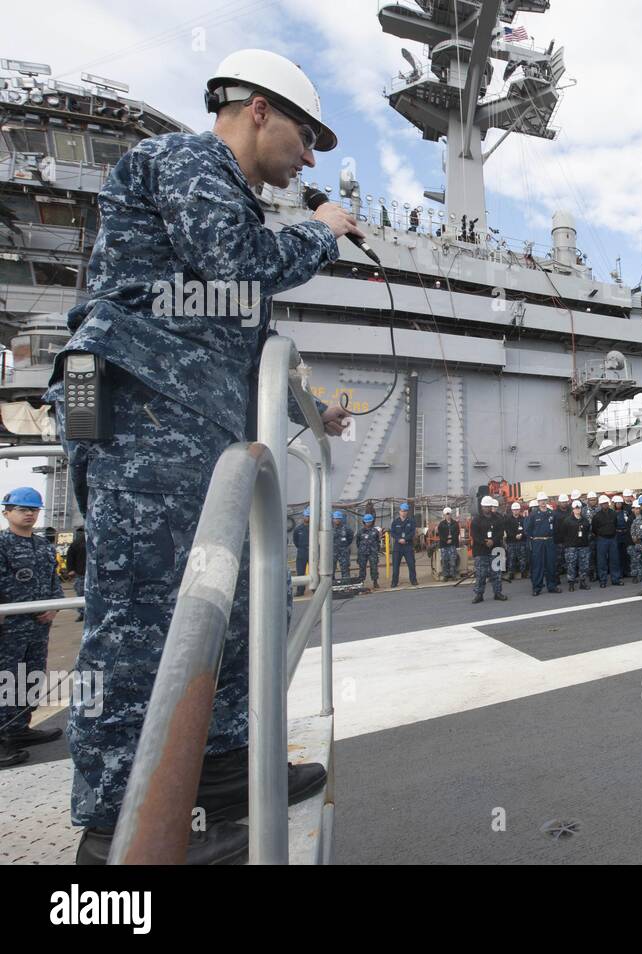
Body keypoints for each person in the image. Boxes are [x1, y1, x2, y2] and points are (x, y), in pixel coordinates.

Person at [43, 47, 357, 863]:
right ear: (259, 109)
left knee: (236, 600)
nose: (312, 156)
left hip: (187, 415)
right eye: (307, 133)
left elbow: (230, 321)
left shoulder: (224, 191)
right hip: (145, 407)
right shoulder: (185, 158)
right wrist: (321, 234)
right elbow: (238, 267)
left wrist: (311, 408)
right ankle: (116, 822)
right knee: (145, 610)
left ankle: (220, 768)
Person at [0, 488, 64, 769]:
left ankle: (19, 729)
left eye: (33, 509)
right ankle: (3, 739)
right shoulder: (2, 544)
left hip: (38, 628)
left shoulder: (44, 547)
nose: (29, 513)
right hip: (8, 628)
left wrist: (54, 607)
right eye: (21, 509)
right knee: (5, 681)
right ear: (6, 512)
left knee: (31, 677)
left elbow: (55, 583)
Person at [469, 497, 507, 604]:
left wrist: (493, 541)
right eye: (485, 507)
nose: (487, 508)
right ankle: (479, 594)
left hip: (495, 549)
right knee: (481, 574)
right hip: (481, 550)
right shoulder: (476, 520)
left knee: (497, 572)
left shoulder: (498, 519)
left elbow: (501, 531)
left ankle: (497, 593)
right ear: (482, 507)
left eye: (489, 506)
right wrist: (485, 542)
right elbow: (474, 534)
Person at [523, 494, 560, 595]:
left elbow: (556, 528)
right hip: (538, 543)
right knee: (537, 566)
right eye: (541, 501)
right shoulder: (533, 515)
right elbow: (527, 530)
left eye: (544, 500)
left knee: (551, 565)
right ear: (538, 502)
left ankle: (552, 586)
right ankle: (537, 588)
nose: (543, 502)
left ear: (547, 501)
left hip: (549, 542)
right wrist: (535, 538)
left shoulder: (552, 514)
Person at [558, 498, 592, 591]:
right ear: (573, 509)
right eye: (576, 508)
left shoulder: (585, 520)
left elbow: (588, 531)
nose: (578, 510)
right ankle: (571, 584)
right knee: (571, 566)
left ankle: (582, 582)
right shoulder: (567, 521)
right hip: (571, 547)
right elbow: (563, 533)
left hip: (583, 546)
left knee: (583, 565)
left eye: (579, 508)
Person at [591, 494, 621, 587]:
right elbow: (594, 529)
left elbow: (616, 524)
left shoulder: (613, 513)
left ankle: (615, 579)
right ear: (600, 505)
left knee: (614, 560)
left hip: (612, 539)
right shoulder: (596, 516)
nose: (604, 505)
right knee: (602, 561)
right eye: (603, 504)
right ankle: (603, 581)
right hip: (601, 539)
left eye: (606, 503)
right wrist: (600, 535)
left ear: (608, 503)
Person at [389, 502, 418, 587]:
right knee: (395, 565)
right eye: (402, 511)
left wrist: (405, 539)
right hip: (398, 547)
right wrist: (399, 539)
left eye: (405, 511)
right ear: (399, 511)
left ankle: (413, 580)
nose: (404, 512)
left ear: (407, 512)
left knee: (411, 564)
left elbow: (412, 532)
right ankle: (394, 582)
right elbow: (392, 533)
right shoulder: (395, 522)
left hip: (408, 546)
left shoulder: (411, 521)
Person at [66, 525, 87, 621]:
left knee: (81, 594)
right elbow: (70, 556)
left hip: (85, 572)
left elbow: (70, 555)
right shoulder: (77, 542)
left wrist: (71, 570)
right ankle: (83, 613)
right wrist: (70, 569)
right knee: (81, 594)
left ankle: (84, 613)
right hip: (81, 573)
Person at [356, 513, 381, 588]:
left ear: (372, 522)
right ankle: (361, 582)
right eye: (367, 522)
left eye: (369, 522)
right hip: (362, 553)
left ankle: (375, 582)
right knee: (362, 567)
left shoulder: (375, 531)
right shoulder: (360, 531)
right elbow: (358, 542)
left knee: (374, 567)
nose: (368, 523)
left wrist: (376, 550)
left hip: (373, 552)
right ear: (364, 522)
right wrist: (361, 549)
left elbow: (378, 541)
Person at [504, 501, 527, 581]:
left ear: (519, 510)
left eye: (517, 509)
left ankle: (523, 572)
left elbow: (526, 529)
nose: (516, 511)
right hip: (511, 542)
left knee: (523, 557)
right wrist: (514, 536)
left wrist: (521, 535)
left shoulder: (523, 519)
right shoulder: (508, 520)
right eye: (514, 510)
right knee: (511, 558)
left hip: (521, 541)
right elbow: (507, 530)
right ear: (512, 510)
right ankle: (511, 573)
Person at [292, 508, 311, 596]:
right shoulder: (298, 529)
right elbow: (295, 541)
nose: (307, 518)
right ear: (303, 517)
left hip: (312, 552)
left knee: (315, 571)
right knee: (300, 572)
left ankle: (316, 589)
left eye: (309, 516)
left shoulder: (314, 528)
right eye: (306, 516)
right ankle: (300, 591)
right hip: (302, 552)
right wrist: (301, 548)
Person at [332, 510, 353, 581]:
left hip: (343, 552)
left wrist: (344, 546)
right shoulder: (330, 529)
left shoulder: (347, 529)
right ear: (333, 519)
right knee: (331, 569)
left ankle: (346, 585)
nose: (336, 520)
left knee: (345, 568)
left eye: (338, 518)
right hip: (332, 552)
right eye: (335, 518)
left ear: (341, 519)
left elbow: (350, 538)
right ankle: (330, 586)